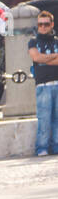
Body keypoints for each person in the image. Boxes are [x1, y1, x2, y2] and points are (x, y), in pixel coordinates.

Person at [30, 11, 58, 157]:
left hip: (57, 83)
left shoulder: (56, 41)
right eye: (40, 24)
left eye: (46, 24)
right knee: (44, 119)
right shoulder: (33, 41)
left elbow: (41, 58)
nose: (43, 27)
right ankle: (41, 148)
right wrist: (52, 57)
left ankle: (56, 146)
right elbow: (36, 57)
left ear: (52, 24)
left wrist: (44, 58)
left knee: (57, 119)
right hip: (43, 86)